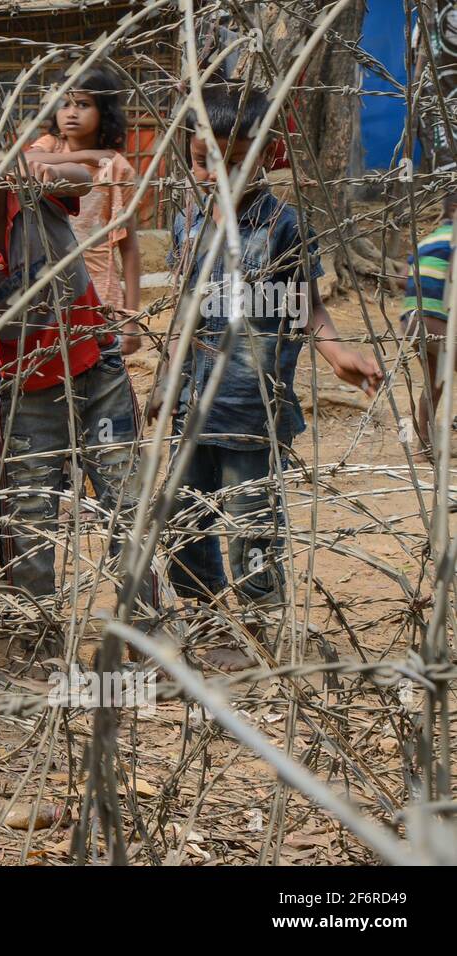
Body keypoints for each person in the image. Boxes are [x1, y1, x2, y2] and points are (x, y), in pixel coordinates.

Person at [0, 91, 159, 638]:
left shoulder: (34, 194)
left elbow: (81, 180)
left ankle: (146, 624)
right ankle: (41, 632)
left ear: (3, 150)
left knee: (124, 498)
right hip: (27, 388)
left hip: (97, 368)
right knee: (31, 510)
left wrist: (29, 169)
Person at [159, 86, 383, 654]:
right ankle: (207, 622)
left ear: (266, 157)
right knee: (187, 521)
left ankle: (263, 623)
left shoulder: (281, 225)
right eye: (204, 159)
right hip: (193, 407)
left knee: (251, 521)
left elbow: (305, 303)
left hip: (253, 409)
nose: (219, 173)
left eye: (235, 162)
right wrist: (166, 386)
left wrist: (336, 353)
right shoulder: (189, 223)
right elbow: (184, 316)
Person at [28, 65, 144, 353]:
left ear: (104, 111)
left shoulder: (118, 168)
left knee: (102, 369)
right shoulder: (50, 147)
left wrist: (130, 318)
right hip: (45, 284)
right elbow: (22, 160)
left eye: (83, 104)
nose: (71, 112)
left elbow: (128, 249)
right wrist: (86, 156)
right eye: (64, 104)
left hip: (98, 286)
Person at [401, 191, 457, 460]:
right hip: (436, 322)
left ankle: (423, 446)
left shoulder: (427, 240)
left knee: (434, 382)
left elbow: (403, 276)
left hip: (411, 321)